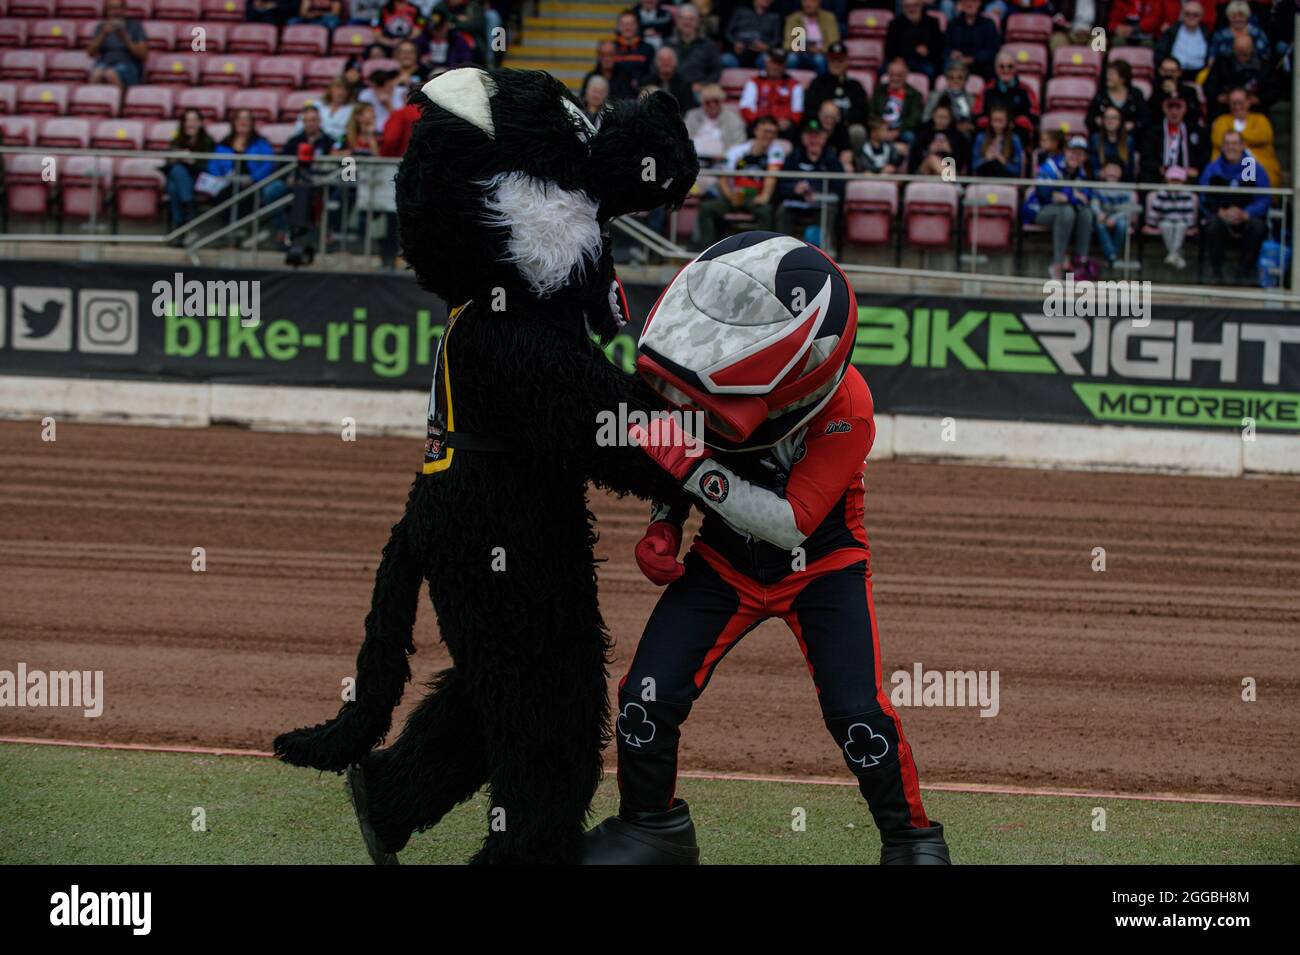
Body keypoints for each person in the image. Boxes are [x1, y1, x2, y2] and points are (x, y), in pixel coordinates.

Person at [590, 233, 951, 865]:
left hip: (823, 568)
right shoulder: (716, 365)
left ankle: (913, 841)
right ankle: (651, 828)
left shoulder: (851, 406)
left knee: (859, 718)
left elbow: (791, 522)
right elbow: (686, 441)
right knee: (644, 698)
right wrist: (666, 522)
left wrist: (693, 473)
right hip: (724, 562)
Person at [697, 115, 782, 244]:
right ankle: (706, 250)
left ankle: (760, 252)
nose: (769, 136)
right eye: (766, 131)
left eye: (773, 132)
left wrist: (765, 196)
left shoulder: (776, 151)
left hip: (754, 197)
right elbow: (723, 177)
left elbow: (772, 175)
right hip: (735, 195)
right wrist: (730, 195)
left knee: (766, 211)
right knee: (706, 208)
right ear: (756, 131)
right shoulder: (738, 151)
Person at [208, 108, 290, 241]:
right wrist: (221, 177)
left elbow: (269, 163)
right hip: (229, 182)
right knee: (225, 194)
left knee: (248, 194)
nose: (243, 122)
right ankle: (230, 232)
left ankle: (246, 230)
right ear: (234, 122)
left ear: (252, 123)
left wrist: (254, 178)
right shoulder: (224, 144)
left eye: (247, 119)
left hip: (253, 183)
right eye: (240, 119)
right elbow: (213, 165)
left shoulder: (261, 143)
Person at [1200, 129, 1270, 283]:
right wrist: (1220, 212)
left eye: (1235, 143)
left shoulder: (1251, 167)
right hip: (1221, 217)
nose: (1231, 147)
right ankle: (1217, 273)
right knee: (1212, 225)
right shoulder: (1213, 169)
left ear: (1242, 146)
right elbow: (1204, 197)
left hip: (1245, 217)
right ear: (1222, 147)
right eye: (1227, 143)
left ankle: (1244, 273)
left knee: (1257, 227)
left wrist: (1246, 213)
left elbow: (1263, 198)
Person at [1023, 134, 1094, 280]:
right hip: (1038, 209)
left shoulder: (1082, 173)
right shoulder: (1051, 165)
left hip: (1064, 210)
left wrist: (1064, 195)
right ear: (1066, 152)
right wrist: (1072, 196)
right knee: (1067, 211)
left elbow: (1085, 198)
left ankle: (1081, 261)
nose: (1075, 156)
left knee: (1086, 213)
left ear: (1085, 157)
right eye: (1072, 152)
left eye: (1080, 154)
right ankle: (1057, 263)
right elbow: (1043, 192)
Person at [776, 118, 845, 238]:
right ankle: (783, 250)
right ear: (803, 137)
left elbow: (839, 189)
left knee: (829, 212)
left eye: (817, 135)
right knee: (782, 211)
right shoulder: (793, 158)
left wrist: (815, 191)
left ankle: (825, 249)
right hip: (795, 202)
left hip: (821, 205)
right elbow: (780, 186)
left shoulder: (832, 160)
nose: (813, 139)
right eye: (809, 135)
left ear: (824, 138)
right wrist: (794, 189)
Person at [1210, 87, 1282, 189]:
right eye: (1233, 103)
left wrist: (1235, 138)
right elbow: (1218, 139)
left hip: (1259, 173)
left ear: (1249, 102)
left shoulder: (1260, 119)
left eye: (1241, 102)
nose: (1237, 106)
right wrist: (1249, 139)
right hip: (1227, 173)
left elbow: (1264, 136)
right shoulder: (1221, 120)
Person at [806, 41, 871, 150]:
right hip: (821, 126)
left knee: (858, 131)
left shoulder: (855, 86)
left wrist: (839, 119)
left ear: (846, 62)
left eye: (840, 60)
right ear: (828, 61)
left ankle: (853, 161)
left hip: (845, 128)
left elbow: (862, 112)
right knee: (808, 127)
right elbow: (810, 109)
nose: (836, 64)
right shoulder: (818, 83)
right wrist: (825, 120)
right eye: (833, 60)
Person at [164, 108, 214, 235]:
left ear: (200, 123)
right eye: (187, 120)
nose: (190, 123)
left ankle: (179, 227)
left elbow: (211, 166)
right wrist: (175, 158)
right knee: (177, 172)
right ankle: (188, 208)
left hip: (199, 178)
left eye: (194, 120)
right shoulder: (176, 140)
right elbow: (167, 162)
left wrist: (193, 162)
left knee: (173, 187)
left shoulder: (208, 142)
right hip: (181, 178)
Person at [1140, 92, 1206, 180]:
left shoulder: (1196, 131)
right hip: (1160, 177)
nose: (1174, 112)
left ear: (1185, 108)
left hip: (1188, 178)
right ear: (1164, 108)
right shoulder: (1153, 132)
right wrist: (1159, 169)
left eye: (1178, 107)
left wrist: (1194, 170)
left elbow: (1203, 156)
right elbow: (1146, 158)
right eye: (1170, 107)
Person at [1205, 33, 1273, 117]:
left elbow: (1273, 89)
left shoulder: (1264, 66)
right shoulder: (1221, 63)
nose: (1241, 55)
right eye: (1239, 51)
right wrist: (1218, 96)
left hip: (1254, 108)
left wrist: (1259, 99)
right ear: (1233, 48)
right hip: (1225, 107)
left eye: (1245, 52)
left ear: (1252, 49)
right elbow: (1209, 85)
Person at [739, 48, 805, 132]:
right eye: (773, 62)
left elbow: (798, 111)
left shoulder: (795, 85)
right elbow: (746, 108)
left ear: (785, 65)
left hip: (784, 128)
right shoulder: (754, 82)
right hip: (759, 126)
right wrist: (760, 122)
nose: (776, 67)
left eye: (779, 63)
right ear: (766, 62)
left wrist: (789, 122)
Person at [86, 0, 148, 88]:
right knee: (96, 74)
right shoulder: (101, 27)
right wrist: (103, 35)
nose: (115, 12)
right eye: (111, 9)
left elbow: (143, 55)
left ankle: (121, 100)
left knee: (110, 74)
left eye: (118, 8)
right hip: (105, 64)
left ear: (124, 10)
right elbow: (90, 53)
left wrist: (126, 39)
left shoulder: (135, 26)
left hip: (128, 66)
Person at [981, 50, 1039, 142]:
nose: (1006, 70)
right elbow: (977, 115)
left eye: (1010, 66)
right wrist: (996, 123)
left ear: (1015, 68)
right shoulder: (987, 90)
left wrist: (1013, 123)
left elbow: (1034, 115)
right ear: (996, 69)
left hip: (1017, 132)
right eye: (1001, 67)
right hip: (991, 131)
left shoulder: (1026, 90)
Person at [1148, 164, 1198, 269]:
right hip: (1165, 220)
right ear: (1167, 181)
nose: (1175, 183)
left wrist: (1191, 226)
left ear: (1183, 181)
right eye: (1172, 180)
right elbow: (1155, 211)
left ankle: (1172, 254)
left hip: (1181, 221)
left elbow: (1189, 213)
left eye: (1178, 180)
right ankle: (1176, 254)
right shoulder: (1162, 193)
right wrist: (1151, 224)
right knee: (1165, 225)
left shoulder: (1186, 195)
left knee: (1181, 226)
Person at [869, 58, 923, 152]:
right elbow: (870, 113)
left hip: (902, 130)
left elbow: (915, 118)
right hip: (880, 128)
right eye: (892, 75)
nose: (894, 78)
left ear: (906, 76)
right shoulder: (879, 91)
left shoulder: (914, 95)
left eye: (899, 75)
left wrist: (898, 132)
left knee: (910, 136)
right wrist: (880, 127)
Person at [1090, 160, 1136, 267]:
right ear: (1103, 172)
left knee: (1122, 224)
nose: (1112, 173)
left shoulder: (1125, 190)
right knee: (1100, 225)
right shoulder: (1098, 188)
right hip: (1103, 216)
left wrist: (1114, 218)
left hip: (1118, 217)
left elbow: (1126, 209)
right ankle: (1112, 255)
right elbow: (1094, 204)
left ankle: (1111, 254)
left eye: (1115, 170)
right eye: (1109, 169)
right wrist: (1099, 213)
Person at [685, 84, 748, 161]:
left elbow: (740, 143)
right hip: (694, 161)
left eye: (716, 101)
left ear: (721, 101)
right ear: (702, 103)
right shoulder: (692, 116)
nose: (712, 105)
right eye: (708, 102)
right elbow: (684, 139)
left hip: (722, 162)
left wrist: (725, 155)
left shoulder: (733, 119)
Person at [885, 0, 945, 79]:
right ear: (902, 8)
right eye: (907, 6)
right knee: (885, 70)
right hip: (901, 60)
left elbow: (939, 47)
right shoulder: (894, 24)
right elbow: (889, 49)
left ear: (921, 6)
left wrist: (928, 51)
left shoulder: (932, 23)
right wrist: (897, 58)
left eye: (914, 5)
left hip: (924, 61)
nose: (911, 9)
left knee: (930, 70)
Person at [668, 4, 722, 92]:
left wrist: (703, 85)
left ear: (698, 21)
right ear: (677, 21)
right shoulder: (668, 44)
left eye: (691, 19)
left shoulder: (709, 45)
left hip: (700, 89)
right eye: (683, 18)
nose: (687, 22)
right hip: (673, 90)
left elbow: (716, 71)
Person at [1086, 60, 1148, 135]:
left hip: (1130, 137)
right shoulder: (1101, 94)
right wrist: (1097, 121)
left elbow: (1145, 119)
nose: (1108, 77)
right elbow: (1089, 120)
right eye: (1108, 74)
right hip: (1105, 138)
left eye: (1112, 74)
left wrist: (1134, 125)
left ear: (1122, 78)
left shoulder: (1135, 94)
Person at [945, 0, 1000, 80]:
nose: (969, 3)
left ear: (980, 3)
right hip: (957, 66)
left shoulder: (989, 24)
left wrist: (972, 59)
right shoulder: (953, 24)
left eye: (974, 1)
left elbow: (992, 50)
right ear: (961, 3)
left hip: (981, 67)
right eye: (966, 0)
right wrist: (952, 53)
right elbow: (945, 47)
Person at [1155, 1, 1211, 79]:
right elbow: (1159, 53)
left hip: (1199, 75)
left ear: (1201, 16)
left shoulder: (1207, 33)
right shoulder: (1172, 31)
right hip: (1174, 73)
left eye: (1195, 15)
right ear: (1182, 15)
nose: (1191, 17)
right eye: (1187, 14)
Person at [925, 58, 977, 138]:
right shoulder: (935, 96)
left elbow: (975, 123)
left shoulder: (972, 99)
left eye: (960, 78)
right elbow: (926, 119)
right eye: (951, 77)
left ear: (966, 80)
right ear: (946, 79)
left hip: (964, 137)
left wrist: (970, 126)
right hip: (940, 134)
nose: (955, 81)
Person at [909, 101, 968, 173]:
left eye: (945, 117)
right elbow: (913, 159)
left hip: (950, 168)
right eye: (939, 117)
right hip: (925, 170)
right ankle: (953, 181)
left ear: (950, 118)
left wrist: (950, 151)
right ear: (933, 116)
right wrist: (928, 150)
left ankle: (950, 178)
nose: (941, 120)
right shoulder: (924, 133)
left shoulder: (957, 136)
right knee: (932, 159)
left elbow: (962, 162)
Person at [783, 0, 840, 74]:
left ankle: (821, 84)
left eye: (812, 1)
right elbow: (786, 44)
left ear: (819, 2)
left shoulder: (829, 18)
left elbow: (834, 43)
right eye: (805, 1)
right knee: (791, 58)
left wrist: (819, 49)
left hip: (820, 53)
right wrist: (797, 48)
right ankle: (790, 84)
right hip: (800, 53)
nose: (808, 4)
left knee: (819, 59)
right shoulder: (793, 19)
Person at [1149, 55, 1205, 128]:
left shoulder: (1189, 91)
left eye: (1172, 71)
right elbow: (1151, 115)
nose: (1168, 74)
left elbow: (1194, 115)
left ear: (1179, 72)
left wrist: (1175, 93)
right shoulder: (1155, 91)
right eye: (1165, 71)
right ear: (1160, 71)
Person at [723, 0, 782, 69]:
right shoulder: (741, 12)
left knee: (766, 60)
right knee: (725, 60)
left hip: (761, 54)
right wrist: (735, 43)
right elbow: (728, 33)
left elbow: (777, 38)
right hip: (739, 53)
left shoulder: (774, 17)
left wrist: (767, 47)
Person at [970, 105, 1024, 177]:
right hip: (983, 181)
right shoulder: (981, 138)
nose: (997, 124)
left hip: (1006, 182)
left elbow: (1017, 170)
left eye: (1000, 121)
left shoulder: (1014, 139)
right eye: (994, 120)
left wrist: (1002, 160)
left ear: (1007, 121)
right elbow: (973, 166)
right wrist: (986, 159)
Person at [613, 11, 656, 98]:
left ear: (637, 26)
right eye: (624, 24)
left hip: (641, 94)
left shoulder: (648, 49)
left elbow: (653, 74)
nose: (627, 27)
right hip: (614, 94)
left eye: (631, 24)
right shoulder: (611, 48)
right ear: (618, 27)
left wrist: (640, 81)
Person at [420, 9, 476, 74]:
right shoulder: (424, 39)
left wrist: (452, 69)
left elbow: (466, 60)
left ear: (446, 25)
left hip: (451, 73)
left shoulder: (456, 40)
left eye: (439, 28)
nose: (435, 32)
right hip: (427, 74)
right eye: (434, 29)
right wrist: (421, 60)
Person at [1089, 105, 1137, 181]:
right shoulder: (1095, 139)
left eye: (1114, 118)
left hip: (1122, 184)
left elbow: (1130, 170)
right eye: (1107, 118)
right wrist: (1101, 173)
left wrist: (1117, 173)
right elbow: (1091, 168)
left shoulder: (1129, 141)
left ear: (1120, 121)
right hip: (1099, 184)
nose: (1110, 121)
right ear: (1103, 120)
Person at [644, 45, 695, 113]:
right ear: (656, 63)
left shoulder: (685, 84)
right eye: (662, 60)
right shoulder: (646, 82)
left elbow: (687, 110)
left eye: (669, 60)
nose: (666, 63)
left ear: (675, 62)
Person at [1107, 0, 1180, 44]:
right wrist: (1117, 27)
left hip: (1147, 35)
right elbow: (1111, 20)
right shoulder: (1121, 2)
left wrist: (1135, 29)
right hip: (1124, 34)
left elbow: (1155, 18)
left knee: (1148, 44)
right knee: (1117, 42)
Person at [358, 69, 402, 134]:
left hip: (396, 132)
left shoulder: (401, 93)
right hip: (373, 132)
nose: (381, 89)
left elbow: (403, 120)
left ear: (389, 82)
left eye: (383, 85)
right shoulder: (365, 95)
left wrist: (388, 105)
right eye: (377, 87)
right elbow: (360, 117)